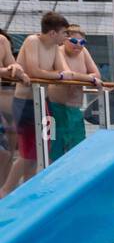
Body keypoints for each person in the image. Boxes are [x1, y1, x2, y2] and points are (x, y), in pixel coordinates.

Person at [0, 12, 69, 198]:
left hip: (44, 103)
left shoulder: (55, 47)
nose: (66, 37)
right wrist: (57, 75)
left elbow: (64, 71)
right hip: (25, 104)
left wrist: (56, 74)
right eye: (64, 33)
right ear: (53, 33)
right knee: (28, 153)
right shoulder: (32, 41)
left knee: (47, 147)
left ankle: (30, 191)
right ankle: (5, 191)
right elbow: (33, 70)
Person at [47, 24, 102, 161]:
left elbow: (97, 74)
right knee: (53, 148)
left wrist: (90, 77)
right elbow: (68, 74)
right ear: (65, 39)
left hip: (74, 110)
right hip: (53, 110)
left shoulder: (83, 52)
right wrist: (89, 78)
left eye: (82, 42)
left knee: (78, 149)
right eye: (73, 41)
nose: (78, 45)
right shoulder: (57, 51)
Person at [0, 29, 29, 185]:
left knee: (7, 153)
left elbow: (14, 65)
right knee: (4, 153)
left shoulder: (3, 41)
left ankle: (4, 192)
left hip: (9, 105)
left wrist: (18, 71)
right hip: (8, 102)